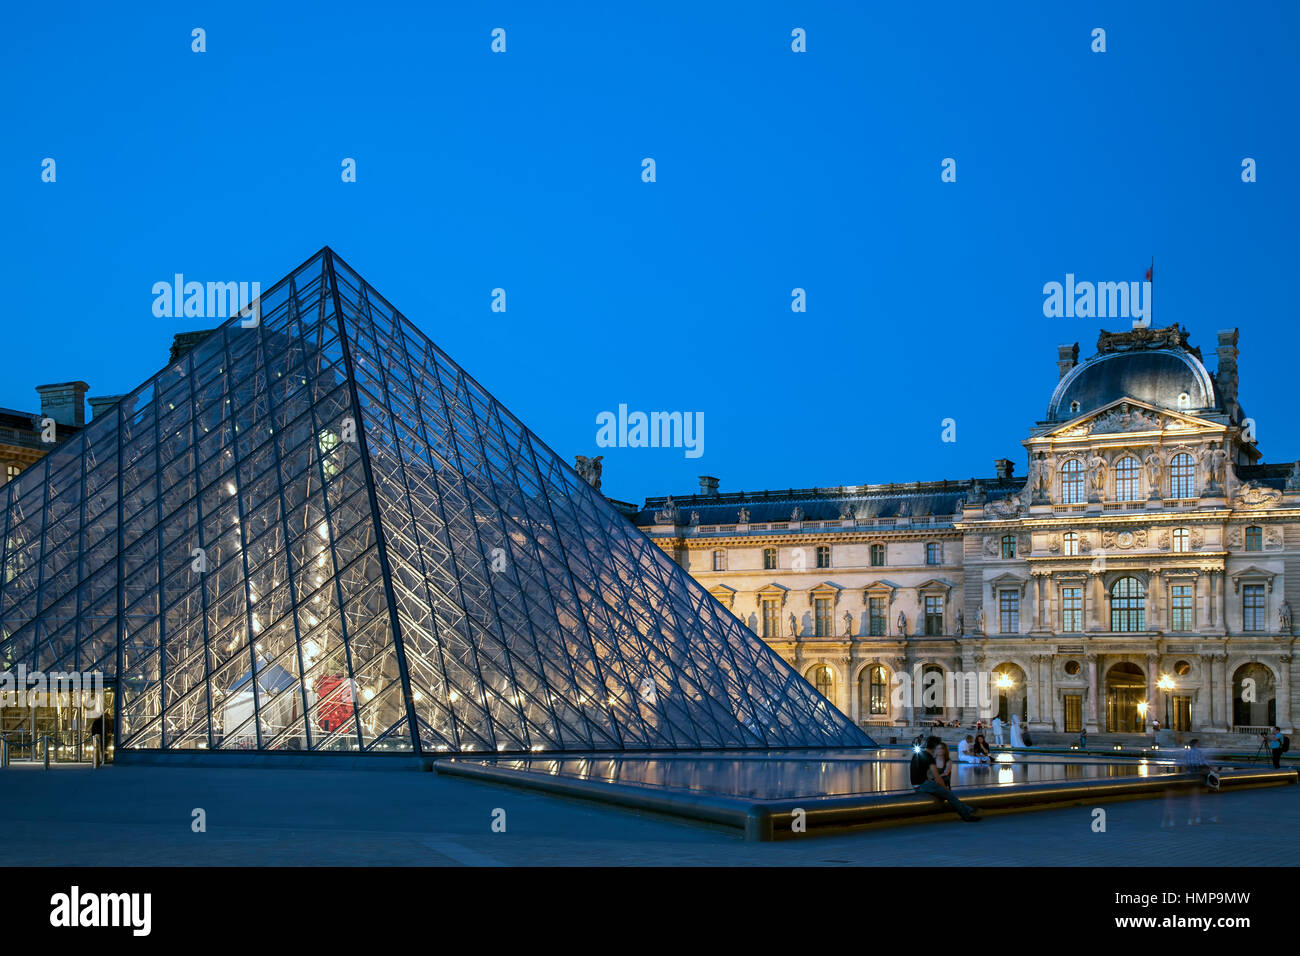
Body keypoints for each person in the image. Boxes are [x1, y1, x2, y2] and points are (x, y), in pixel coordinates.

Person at [911, 736, 980, 822]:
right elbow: (937, 776)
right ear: (935, 746)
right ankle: (967, 815)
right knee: (949, 795)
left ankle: (968, 809)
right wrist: (944, 788)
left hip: (916, 785)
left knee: (946, 794)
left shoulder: (918, 754)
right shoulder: (929, 758)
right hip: (923, 785)